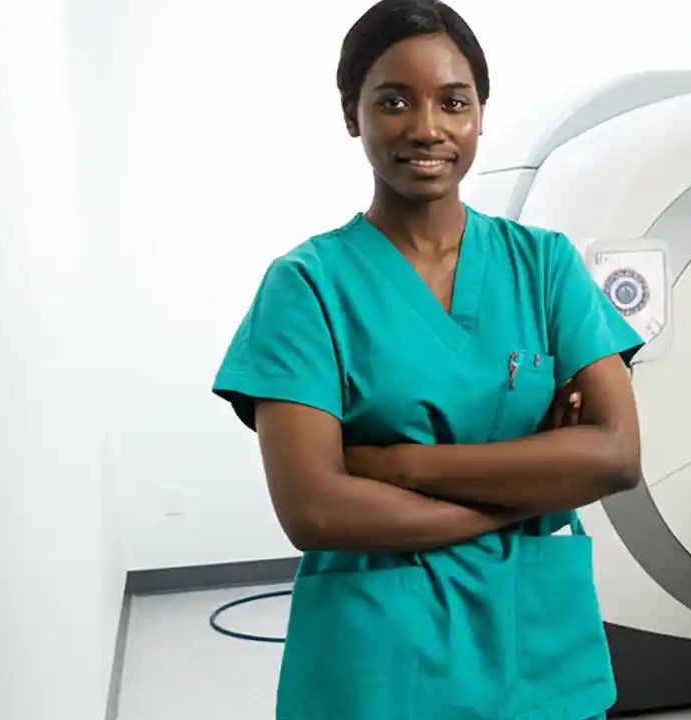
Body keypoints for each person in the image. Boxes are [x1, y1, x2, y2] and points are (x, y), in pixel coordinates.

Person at [210, 1, 645, 718]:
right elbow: (315, 508)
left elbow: (617, 456)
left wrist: (396, 466)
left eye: (453, 101)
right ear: (353, 114)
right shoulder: (308, 286)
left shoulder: (545, 265)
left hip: (534, 650)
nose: (427, 128)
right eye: (394, 102)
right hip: (381, 657)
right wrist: (534, 481)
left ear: (479, 113)